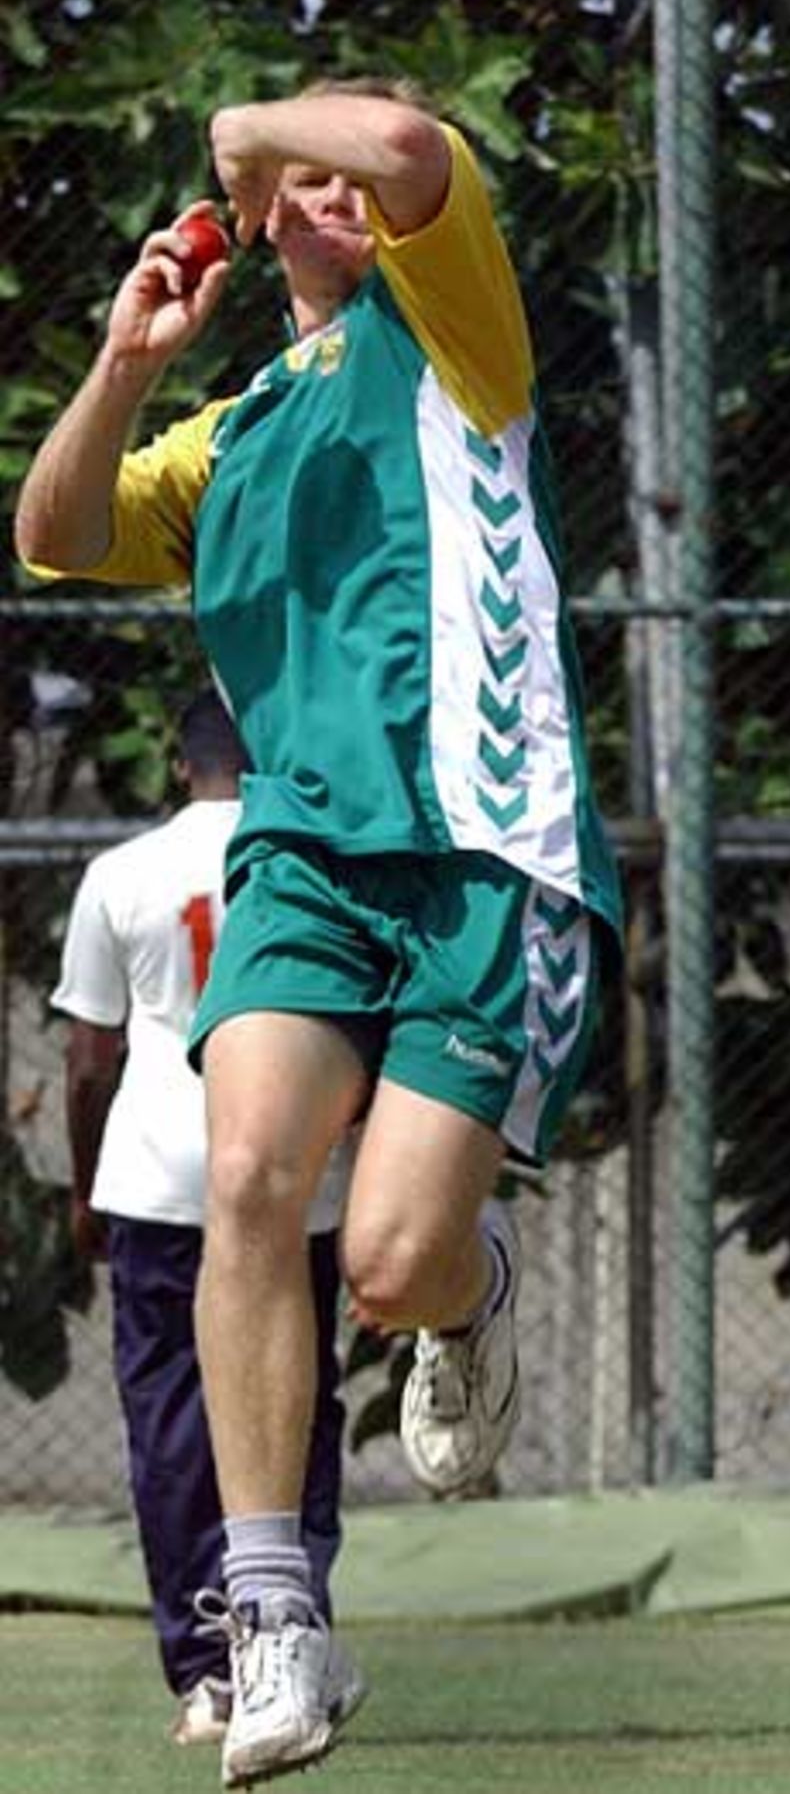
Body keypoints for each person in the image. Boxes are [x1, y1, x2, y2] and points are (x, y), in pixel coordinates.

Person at [16, 79, 621, 1788]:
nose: (342, 191)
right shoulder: (242, 423)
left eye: (343, 175)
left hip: (481, 854)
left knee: (391, 1263)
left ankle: (467, 1287)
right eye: (308, 184)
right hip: (301, 852)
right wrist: (131, 355)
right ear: (271, 224)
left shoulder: (456, 328)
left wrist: (247, 121)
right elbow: (54, 533)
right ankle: (274, 1615)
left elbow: (417, 157)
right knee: (249, 1174)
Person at [50, 690, 363, 1748]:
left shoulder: (121, 873)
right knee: (294, 1405)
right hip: (290, 1179)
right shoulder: (314, 862)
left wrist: (85, 1182)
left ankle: (211, 1668)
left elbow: (91, 1058)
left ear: (179, 766)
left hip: (159, 1181)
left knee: (178, 1428)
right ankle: (296, 1627)